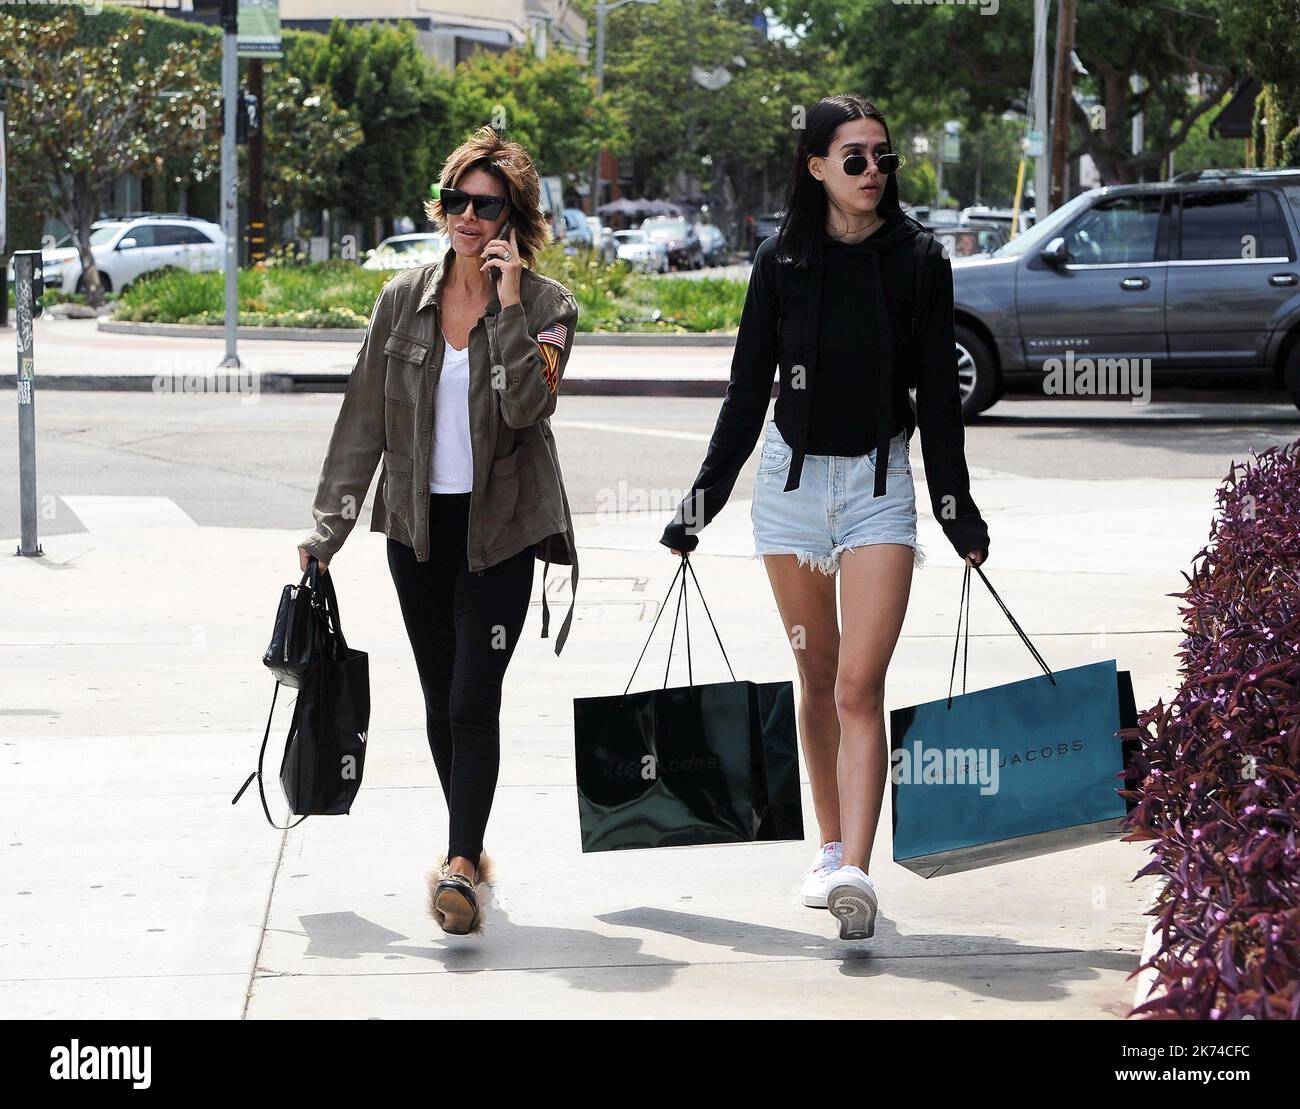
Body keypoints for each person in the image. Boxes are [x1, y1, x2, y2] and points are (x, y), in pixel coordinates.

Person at [660, 95, 989, 942]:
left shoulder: (919, 259)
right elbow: (745, 396)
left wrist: (957, 512)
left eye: (884, 157)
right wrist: (699, 504)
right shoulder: (781, 262)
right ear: (816, 167)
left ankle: (856, 872)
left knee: (857, 686)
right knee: (815, 678)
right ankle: (828, 841)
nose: (873, 172)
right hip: (791, 489)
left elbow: (937, 405)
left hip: (880, 484)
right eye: (855, 158)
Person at [297, 125, 580, 936]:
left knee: (470, 698)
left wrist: (512, 304)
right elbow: (361, 423)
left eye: (484, 205)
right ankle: (472, 853)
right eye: (456, 199)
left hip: (504, 531)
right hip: (417, 532)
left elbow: (530, 406)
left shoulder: (551, 307)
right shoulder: (402, 301)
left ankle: (459, 865)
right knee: (435, 701)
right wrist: (327, 530)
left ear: (512, 217)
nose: (466, 216)